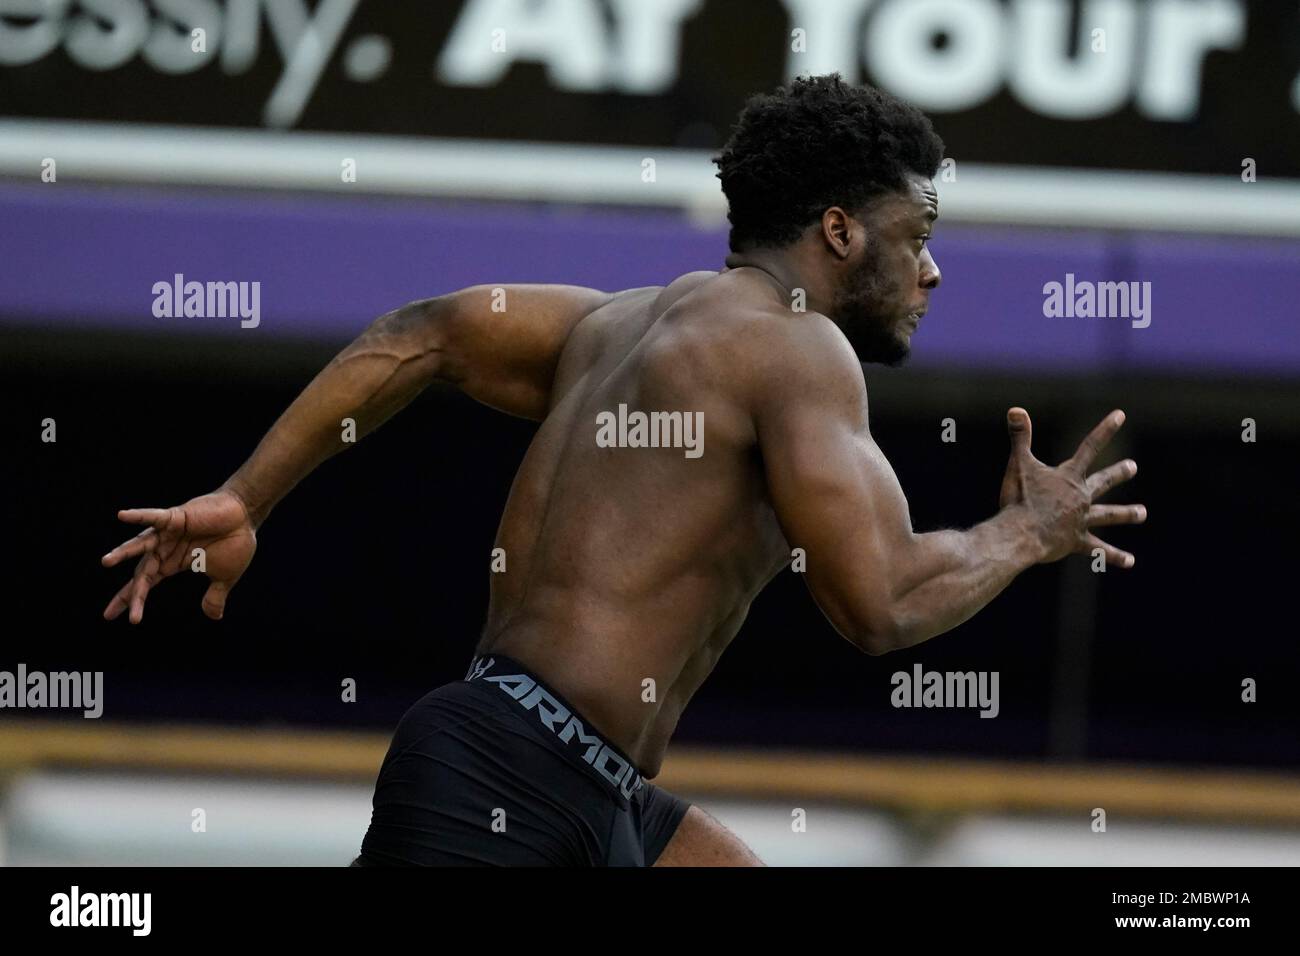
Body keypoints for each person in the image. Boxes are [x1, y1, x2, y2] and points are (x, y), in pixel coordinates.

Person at [101, 75, 1145, 866]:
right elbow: (876, 601)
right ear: (837, 229)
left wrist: (247, 495)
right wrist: (1023, 531)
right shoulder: (797, 347)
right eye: (916, 235)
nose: (931, 267)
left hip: (563, 772)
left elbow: (421, 334)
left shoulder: (617, 322)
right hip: (508, 770)